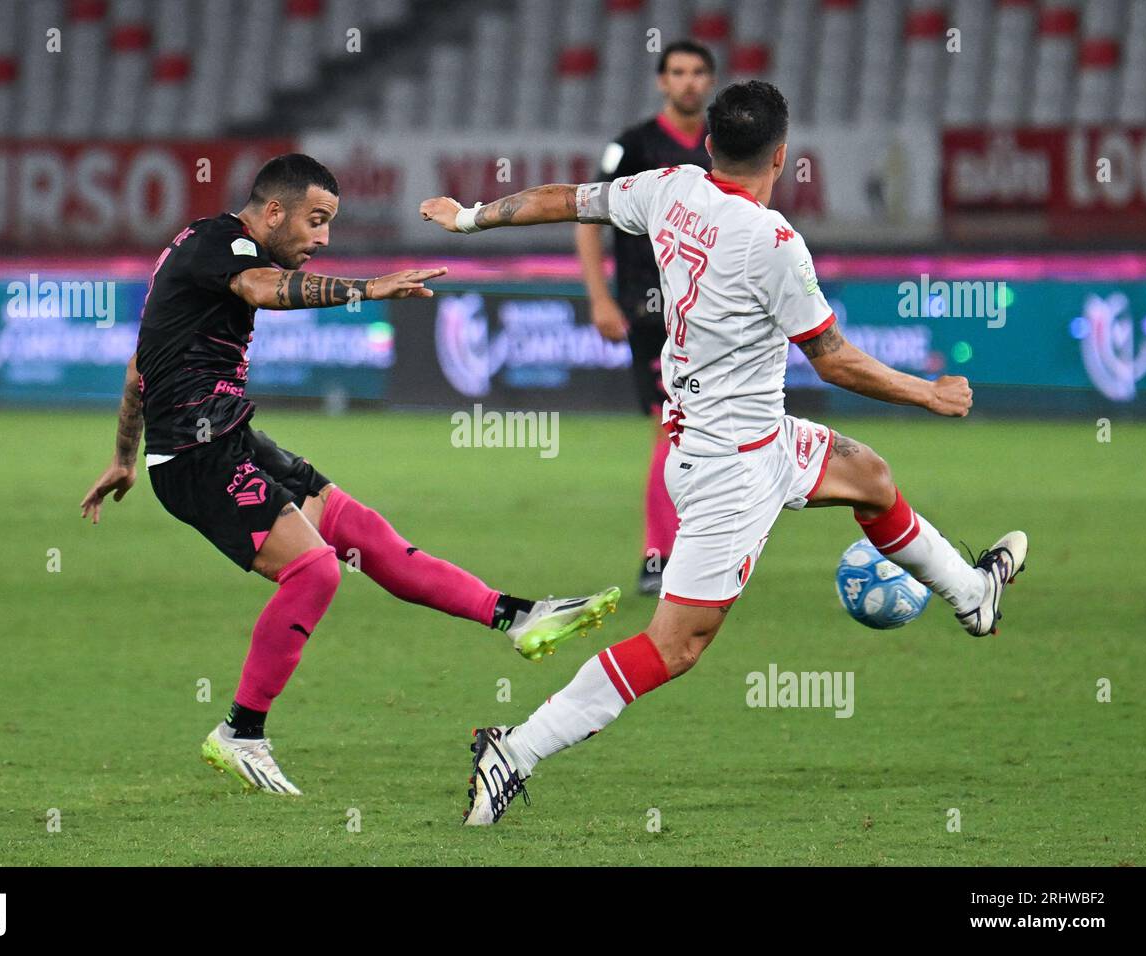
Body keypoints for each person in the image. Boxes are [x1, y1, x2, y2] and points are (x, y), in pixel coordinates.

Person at [419, 82, 1027, 825]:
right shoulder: (774, 244)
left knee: (869, 476)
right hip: (729, 468)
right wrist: (928, 394)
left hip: (752, 435)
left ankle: (971, 596)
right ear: (781, 155)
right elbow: (832, 360)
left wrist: (471, 217)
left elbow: (568, 198)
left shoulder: (669, 190)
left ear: (708, 146)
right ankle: (512, 751)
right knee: (674, 648)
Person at [80, 154, 619, 797]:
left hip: (230, 437)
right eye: (315, 221)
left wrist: (122, 455)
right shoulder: (222, 245)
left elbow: (143, 365)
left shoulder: (199, 252)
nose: (322, 238)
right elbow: (260, 290)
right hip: (197, 459)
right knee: (314, 570)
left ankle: (516, 616)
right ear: (272, 212)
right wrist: (366, 288)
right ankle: (240, 732)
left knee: (360, 531)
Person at [576, 39, 715, 594]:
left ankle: (704, 548)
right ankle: (657, 557)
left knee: (711, 431)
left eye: (698, 72)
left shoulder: (724, 145)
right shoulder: (630, 146)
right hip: (652, 309)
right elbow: (587, 214)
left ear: (709, 81)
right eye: (677, 72)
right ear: (662, 80)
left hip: (713, 310)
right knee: (674, 426)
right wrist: (600, 297)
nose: (688, 82)